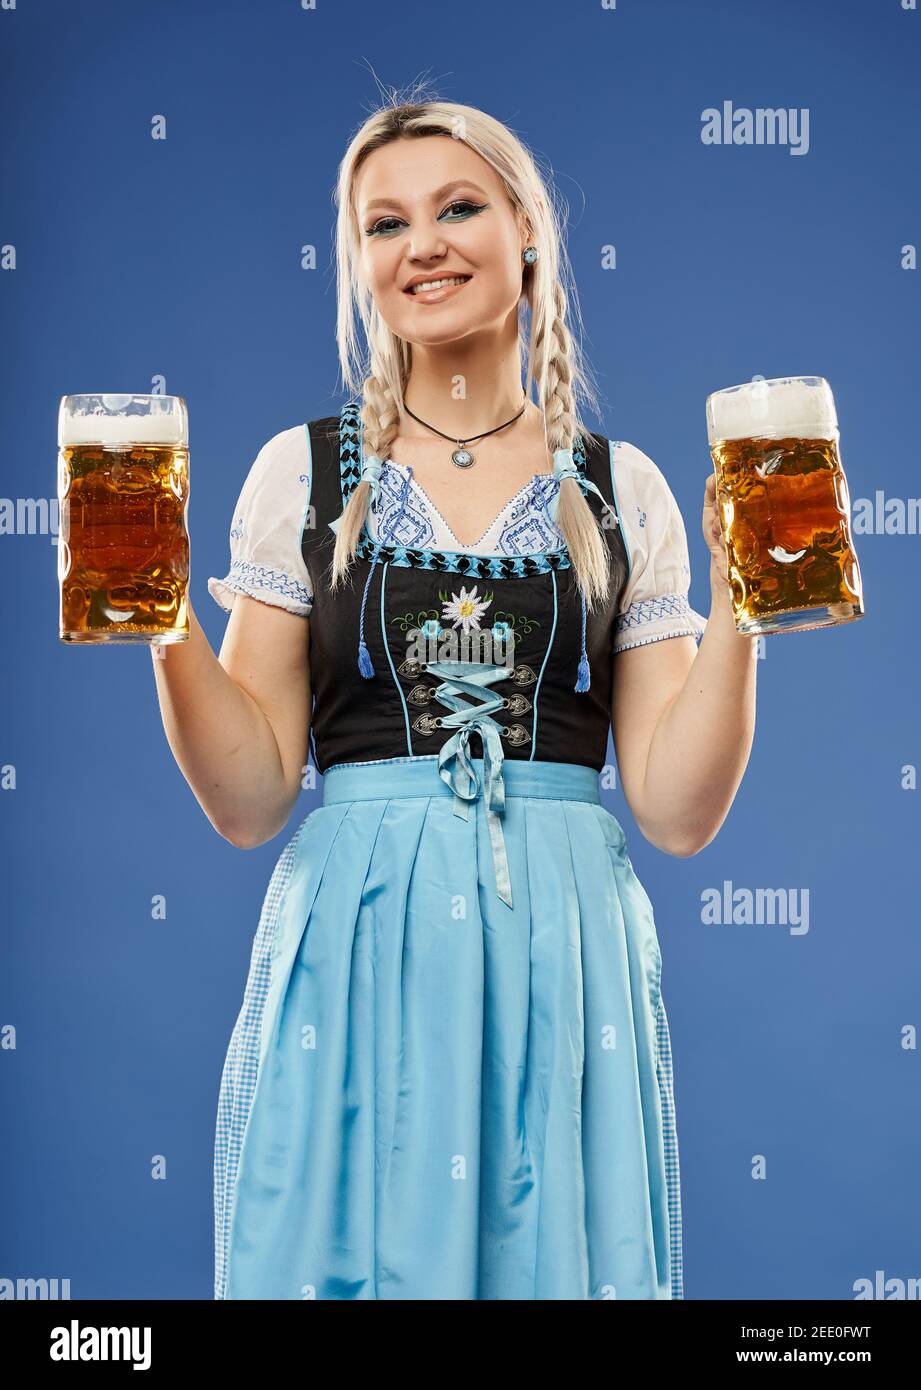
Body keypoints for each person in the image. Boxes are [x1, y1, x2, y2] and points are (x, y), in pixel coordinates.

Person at [152, 95, 757, 1301]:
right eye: (385, 224)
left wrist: (748, 596)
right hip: (361, 940)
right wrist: (156, 616)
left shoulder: (618, 488)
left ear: (527, 230)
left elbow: (680, 812)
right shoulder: (304, 472)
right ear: (362, 265)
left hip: (562, 943)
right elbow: (251, 796)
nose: (420, 244)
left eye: (458, 206)